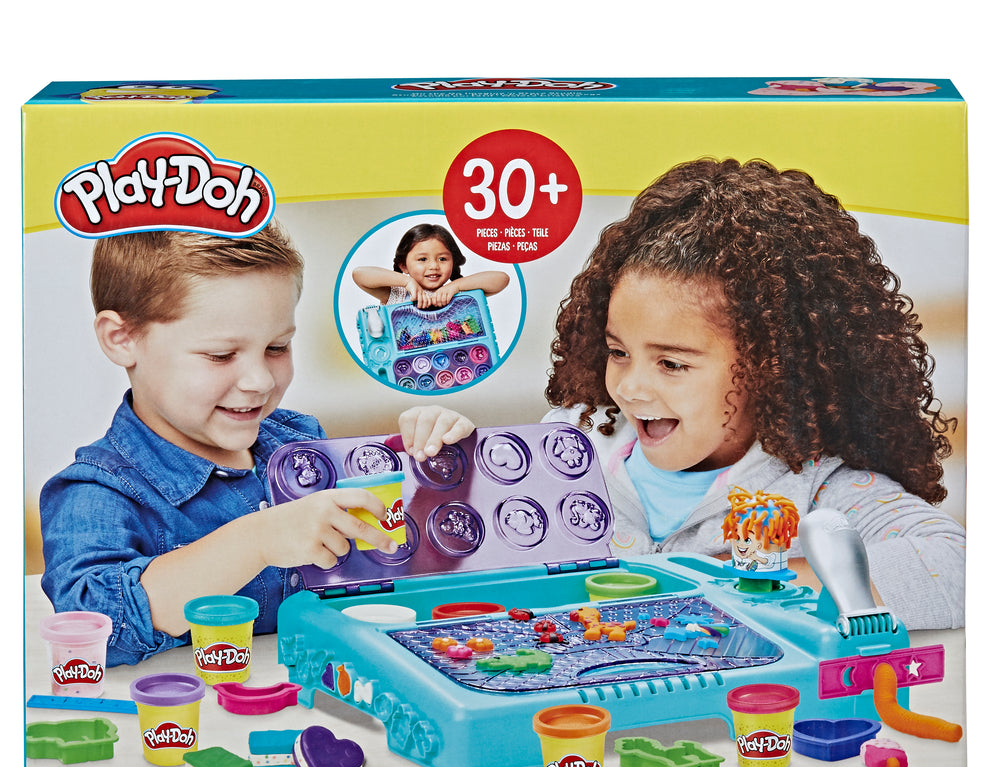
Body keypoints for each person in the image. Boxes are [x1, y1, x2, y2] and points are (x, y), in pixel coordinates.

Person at [543, 158, 965, 630]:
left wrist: (742, 587)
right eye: (618, 352)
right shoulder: (569, 448)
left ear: (770, 367)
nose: (629, 387)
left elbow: (954, 567)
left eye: (671, 363)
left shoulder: (818, 489)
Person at [40, 223, 473, 666]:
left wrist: (434, 468)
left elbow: (396, 562)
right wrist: (257, 540)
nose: (260, 381)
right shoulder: (97, 492)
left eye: (277, 347)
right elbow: (94, 628)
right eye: (221, 355)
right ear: (122, 338)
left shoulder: (304, 446)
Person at [353, 222, 509, 309]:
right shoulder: (396, 294)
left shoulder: (459, 294)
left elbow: (501, 279)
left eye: (442, 259)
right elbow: (359, 274)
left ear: (453, 262)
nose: (434, 266)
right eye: (422, 259)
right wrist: (407, 282)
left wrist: (456, 286)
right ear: (403, 266)